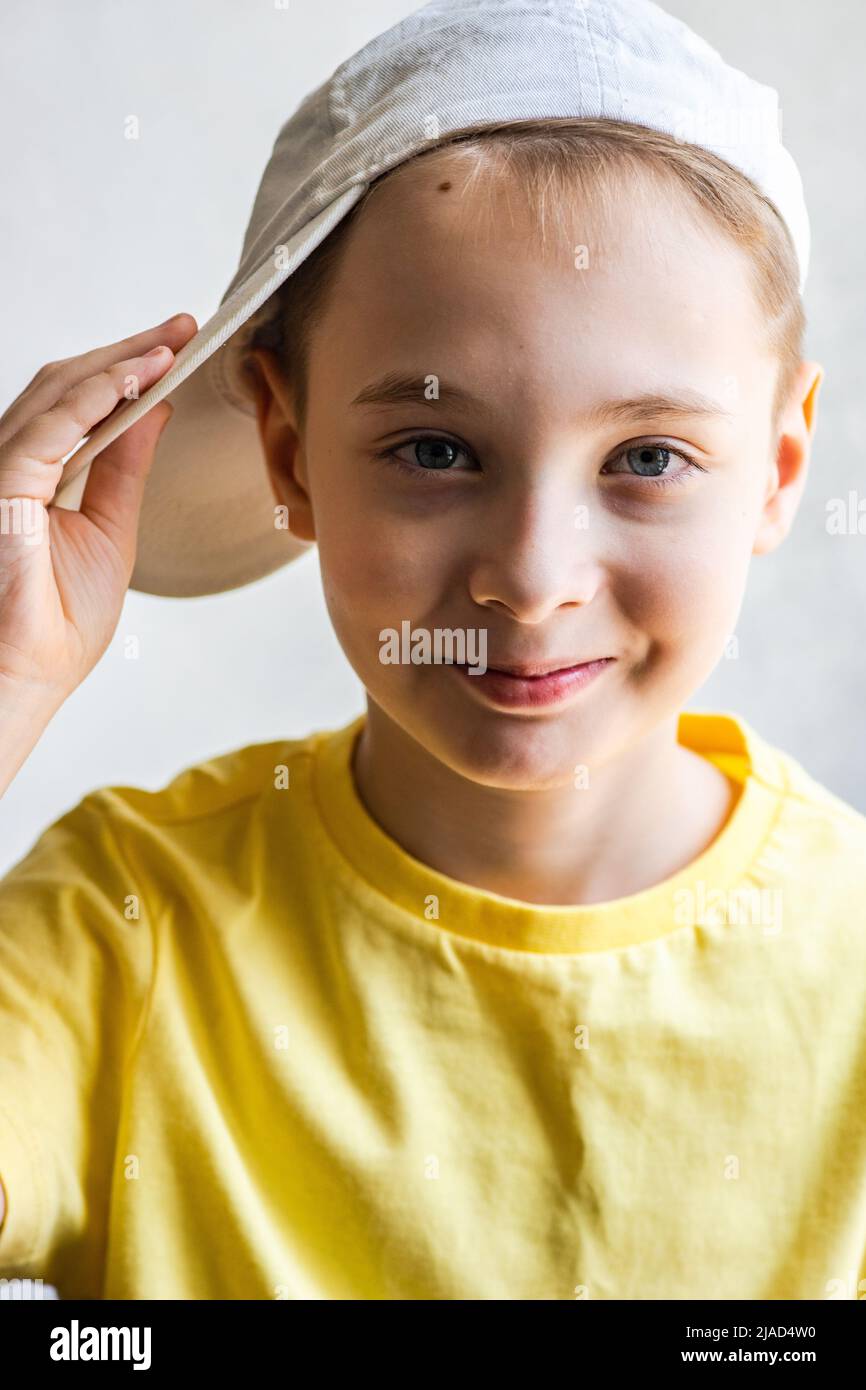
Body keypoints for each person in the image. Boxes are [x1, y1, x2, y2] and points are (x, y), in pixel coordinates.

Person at [1, 3, 865, 1301]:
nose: (529, 578)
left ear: (774, 468)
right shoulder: (122, 927)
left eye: (645, 458)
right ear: (290, 456)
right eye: (433, 449)